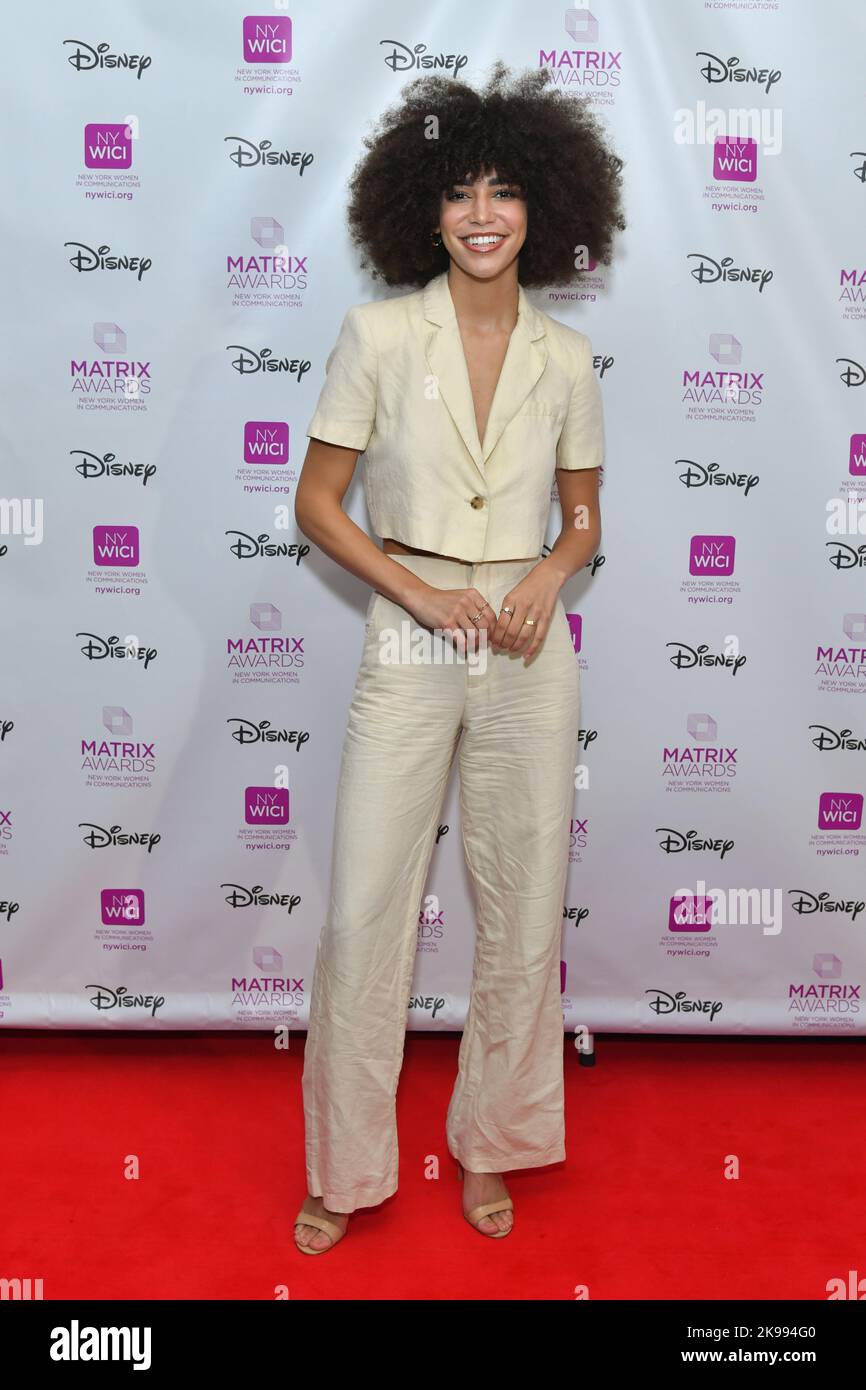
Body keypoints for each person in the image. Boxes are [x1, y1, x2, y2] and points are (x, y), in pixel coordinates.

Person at [292, 62, 625, 1253]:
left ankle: (492, 1144)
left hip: (531, 653)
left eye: (504, 191)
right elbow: (319, 503)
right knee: (367, 905)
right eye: (457, 193)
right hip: (407, 623)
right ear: (421, 211)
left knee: (523, 905)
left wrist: (540, 577)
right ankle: (344, 1164)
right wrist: (419, 592)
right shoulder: (376, 334)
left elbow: (582, 521)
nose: (481, 213)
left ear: (542, 207)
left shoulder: (567, 361)